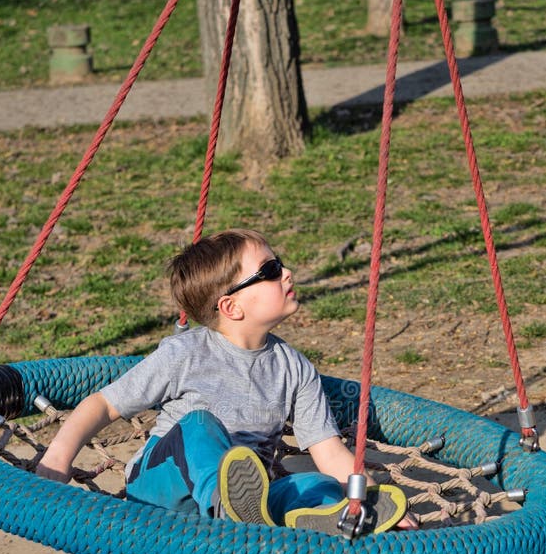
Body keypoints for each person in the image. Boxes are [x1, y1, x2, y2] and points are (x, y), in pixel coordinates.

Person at [37, 229, 410, 535]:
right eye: (270, 270)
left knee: (320, 485)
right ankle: (227, 505)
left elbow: (329, 453)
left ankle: (337, 518)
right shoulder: (184, 353)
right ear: (231, 307)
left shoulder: (294, 368)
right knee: (200, 424)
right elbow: (103, 404)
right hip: (161, 489)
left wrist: (368, 495)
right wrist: (58, 457)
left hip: (252, 501)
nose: (287, 273)